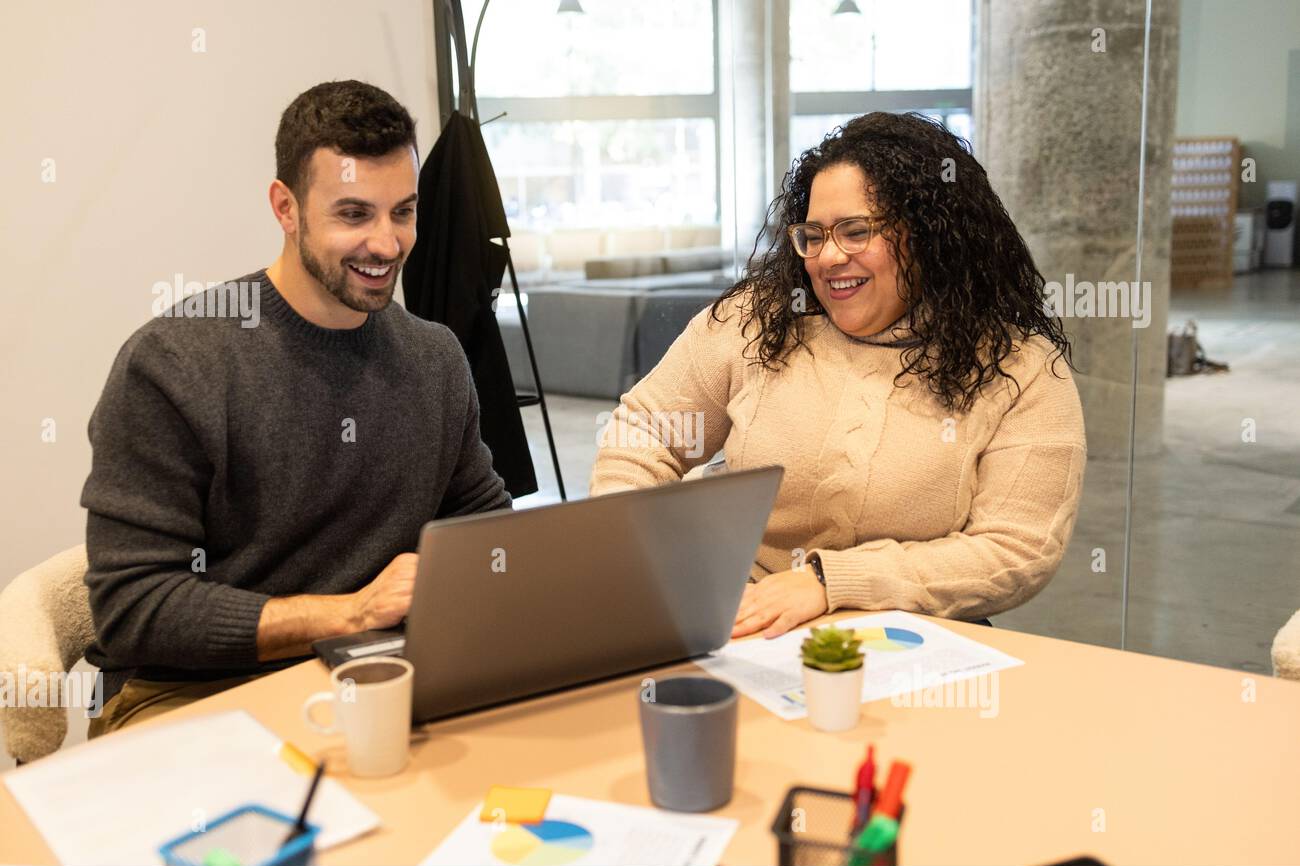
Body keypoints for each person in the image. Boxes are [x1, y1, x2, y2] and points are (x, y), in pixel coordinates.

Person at [82, 80, 510, 736]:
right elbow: (134, 608)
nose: (389, 244)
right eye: (354, 214)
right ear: (285, 208)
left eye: (403, 211)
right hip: (197, 695)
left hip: (388, 671)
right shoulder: (172, 366)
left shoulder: (435, 358)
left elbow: (484, 531)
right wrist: (351, 614)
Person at [590, 112, 1086, 640]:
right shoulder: (755, 321)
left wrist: (832, 583)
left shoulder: (1021, 368)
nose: (828, 257)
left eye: (855, 232)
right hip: (746, 620)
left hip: (916, 639)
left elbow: (1016, 550)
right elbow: (645, 430)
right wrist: (639, 548)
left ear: (929, 235)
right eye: (813, 235)